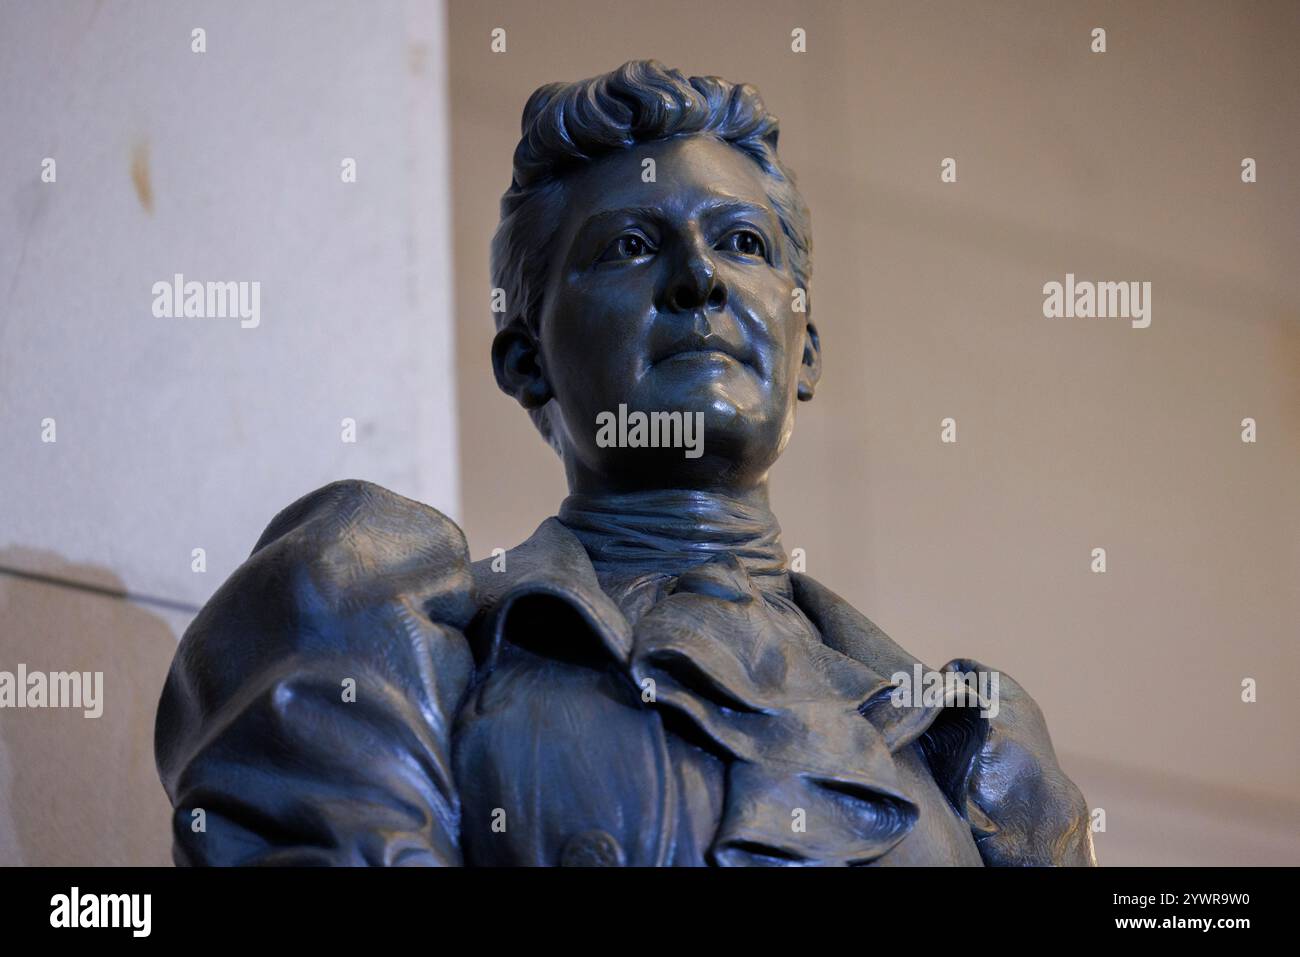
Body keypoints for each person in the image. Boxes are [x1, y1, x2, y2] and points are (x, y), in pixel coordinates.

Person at [154, 60, 1095, 866]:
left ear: (804, 351)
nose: (701, 279)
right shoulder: (375, 623)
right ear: (528, 359)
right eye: (631, 246)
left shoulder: (971, 748)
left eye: (743, 242)